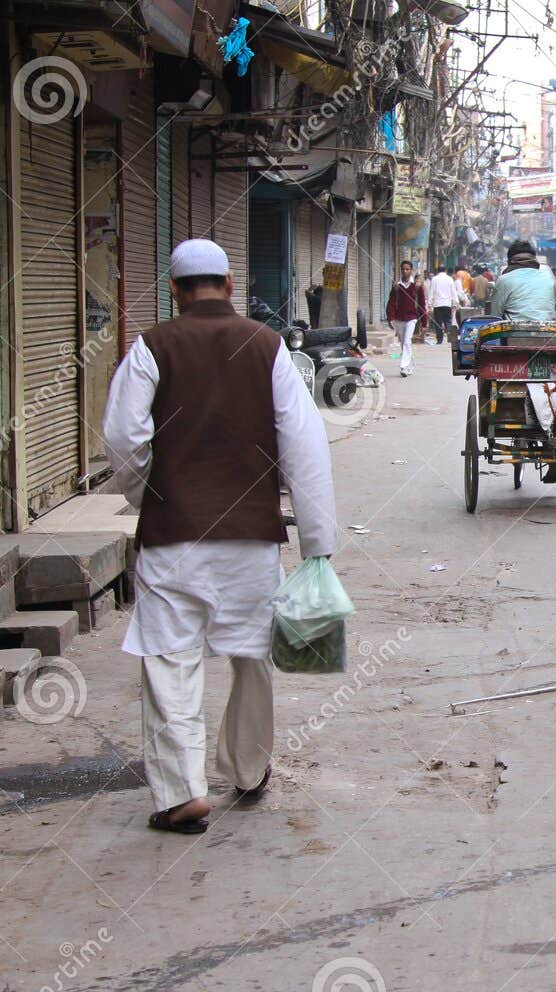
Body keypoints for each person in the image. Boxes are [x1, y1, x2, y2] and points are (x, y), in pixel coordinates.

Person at [102, 239, 336, 834]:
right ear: (230, 284)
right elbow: (304, 447)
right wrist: (317, 544)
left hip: (173, 537)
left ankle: (182, 793)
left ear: (175, 289)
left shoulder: (151, 347)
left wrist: (145, 493)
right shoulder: (268, 346)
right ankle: (249, 769)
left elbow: (124, 439)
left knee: (169, 660)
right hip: (251, 539)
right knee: (252, 656)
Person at [488, 240, 555, 321]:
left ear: (509, 261)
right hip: (548, 330)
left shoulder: (504, 280)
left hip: (514, 331)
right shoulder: (549, 277)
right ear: (534, 259)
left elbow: (495, 316)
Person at [384, 259, 426, 377]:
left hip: (412, 318)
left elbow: (422, 305)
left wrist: (424, 323)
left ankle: (403, 366)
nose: (405, 271)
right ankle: (409, 366)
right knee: (403, 344)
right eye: (403, 269)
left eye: (407, 269)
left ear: (411, 271)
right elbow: (391, 303)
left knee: (407, 341)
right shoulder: (397, 287)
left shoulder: (417, 287)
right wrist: (390, 318)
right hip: (398, 319)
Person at [426, 264, 457, 344]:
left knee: (438, 322)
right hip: (447, 304)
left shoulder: (434, 279)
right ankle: (450, 339)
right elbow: (453, 292)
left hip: (437, 304)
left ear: (437, 271)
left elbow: (431, 291)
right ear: (445, 270)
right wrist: (455, 303)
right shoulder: (450, 279)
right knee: (448, 321)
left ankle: (439, 339)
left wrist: (429, 304)